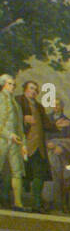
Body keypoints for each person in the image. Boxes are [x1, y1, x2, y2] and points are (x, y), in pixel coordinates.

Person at [17, 80, 51, 212]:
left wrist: (57, 126)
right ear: (25, 89)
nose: (34, 91)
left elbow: (46, 124)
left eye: (36, 90)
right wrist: (23, 118)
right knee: (17, 173)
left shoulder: (39, 106)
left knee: (39, 174)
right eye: (31, 88)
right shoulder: (18, 101)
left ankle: (37, 204)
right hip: (22, 144)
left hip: (38, 146)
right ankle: (11, 202)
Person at [45, 97, 70, 213]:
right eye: (54, 104)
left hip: (63, 155)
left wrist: (61, 146)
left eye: (58, 105)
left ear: (62, 107)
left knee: (65, 178)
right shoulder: (46, 119)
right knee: (50, 177)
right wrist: (49, 144)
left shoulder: (69, 122)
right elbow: (43, 135)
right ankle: (48, 204)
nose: (56, 107)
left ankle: (64, 205)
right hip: (49, 152)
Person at [0, 75, 25, 210]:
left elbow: (20, 126)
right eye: (10, 84)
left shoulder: (16, 104)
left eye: (14, 85)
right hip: (2, 140)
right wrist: (9, 135)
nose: (13, 87)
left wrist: (24, 144)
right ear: (3, 84)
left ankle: (18, 203)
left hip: (15, 142)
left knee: (17, 171)